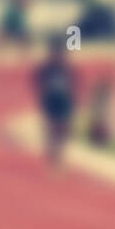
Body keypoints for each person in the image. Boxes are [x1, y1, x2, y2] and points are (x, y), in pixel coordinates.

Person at [33, 34, 77, 167]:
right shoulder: (47, 67)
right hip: (51, 100)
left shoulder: (67, 67)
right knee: (52, 128)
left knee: (63, 129)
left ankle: (58, 154)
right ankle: (53, 155)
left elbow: (73, 83)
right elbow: (38, 82)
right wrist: (43, 96)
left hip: (64, 100)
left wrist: (73, 99)